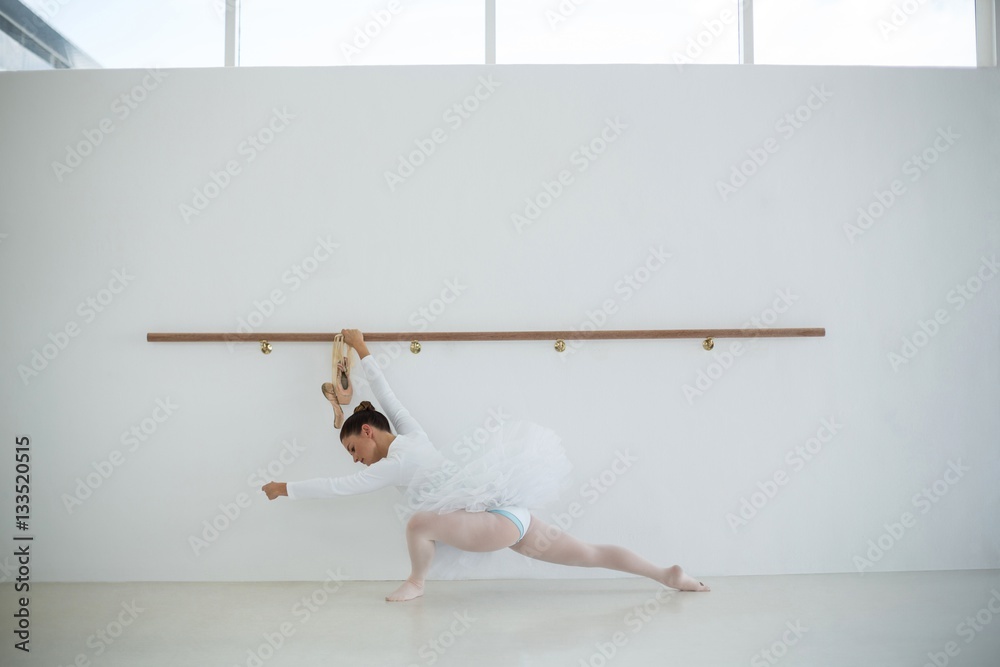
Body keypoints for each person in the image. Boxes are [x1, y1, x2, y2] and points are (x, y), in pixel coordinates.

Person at [262, 329, 710, 602]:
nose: (356, 461)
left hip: (498, 520)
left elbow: (342, 486)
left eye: (353, 450)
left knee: (418, 524)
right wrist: (362, 349)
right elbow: (389, 397)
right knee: (588, 554)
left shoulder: (395, 463)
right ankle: (666, 574)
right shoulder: (413, 437)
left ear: (367, 432)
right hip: (509, 515)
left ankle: (416, 582)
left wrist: (287, 488)